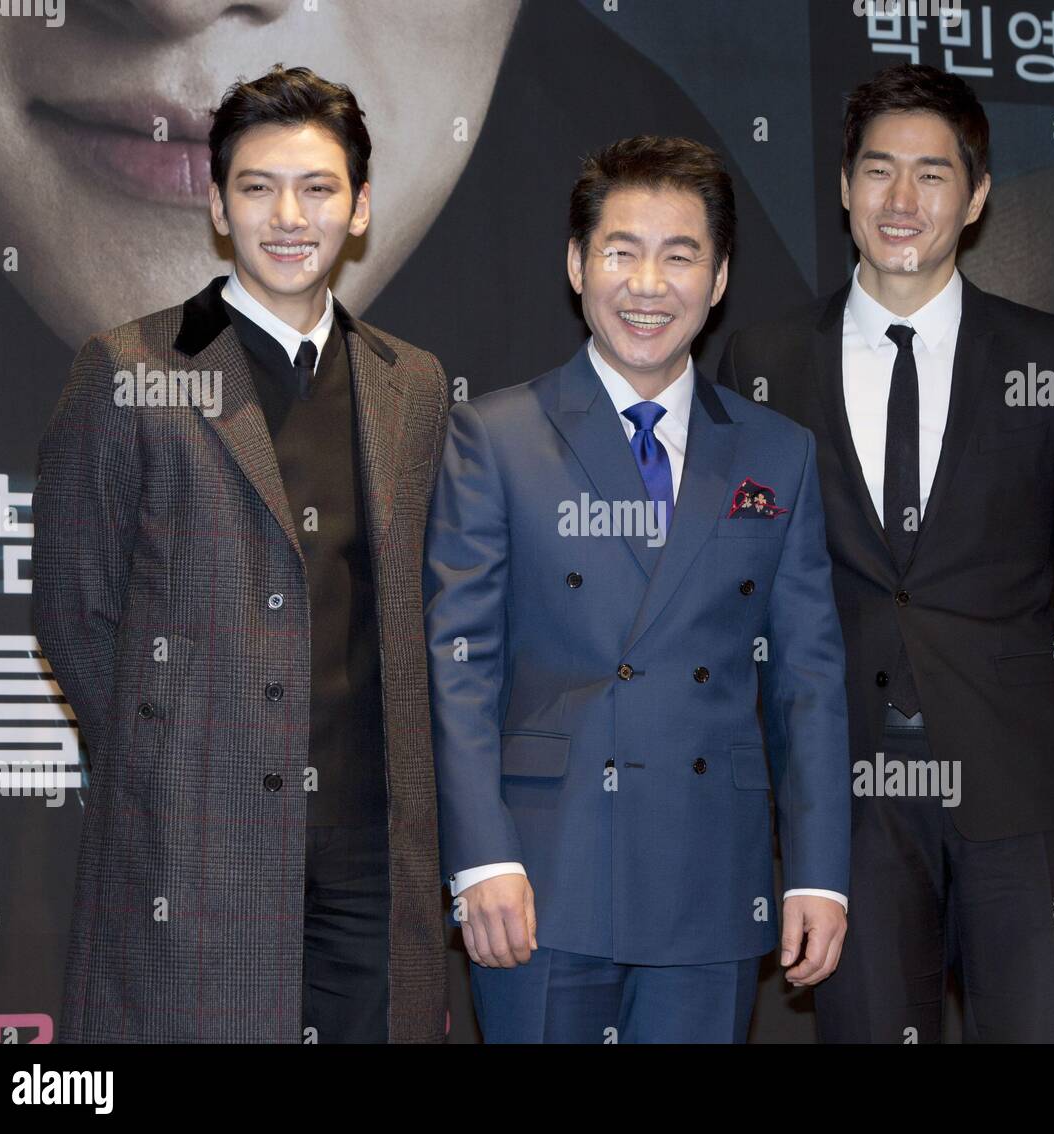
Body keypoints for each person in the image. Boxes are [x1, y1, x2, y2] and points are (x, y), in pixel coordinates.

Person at [719, 63, 1054, 1043]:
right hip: (845, 802)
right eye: (877, 170)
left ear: (975, 197)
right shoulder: (763, 362)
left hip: (1020, 791)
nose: (900, 199)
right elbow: (735, 595)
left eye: (931, 174)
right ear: (842, 187)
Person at [31, 66, 448, 1043]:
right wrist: (174, 761)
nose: (288, 216)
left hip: (371, 864)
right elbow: (72, 607)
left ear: (360, 207)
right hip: (194, 857)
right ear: (218, 205)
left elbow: (415, 608)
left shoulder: (412, 385)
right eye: (258, 187)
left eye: (318, 188)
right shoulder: (129, 370)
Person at [423, 135, 850, 1044]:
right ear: (577, 264)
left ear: (721, 276)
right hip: (541, 875)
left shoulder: (778, 453)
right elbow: (461, 668)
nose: (648, 284)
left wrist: (816, 872)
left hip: (711, 873)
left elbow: (806, 679)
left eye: (680, 255)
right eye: (621, 251)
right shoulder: (496, 437)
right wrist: (481, 857)